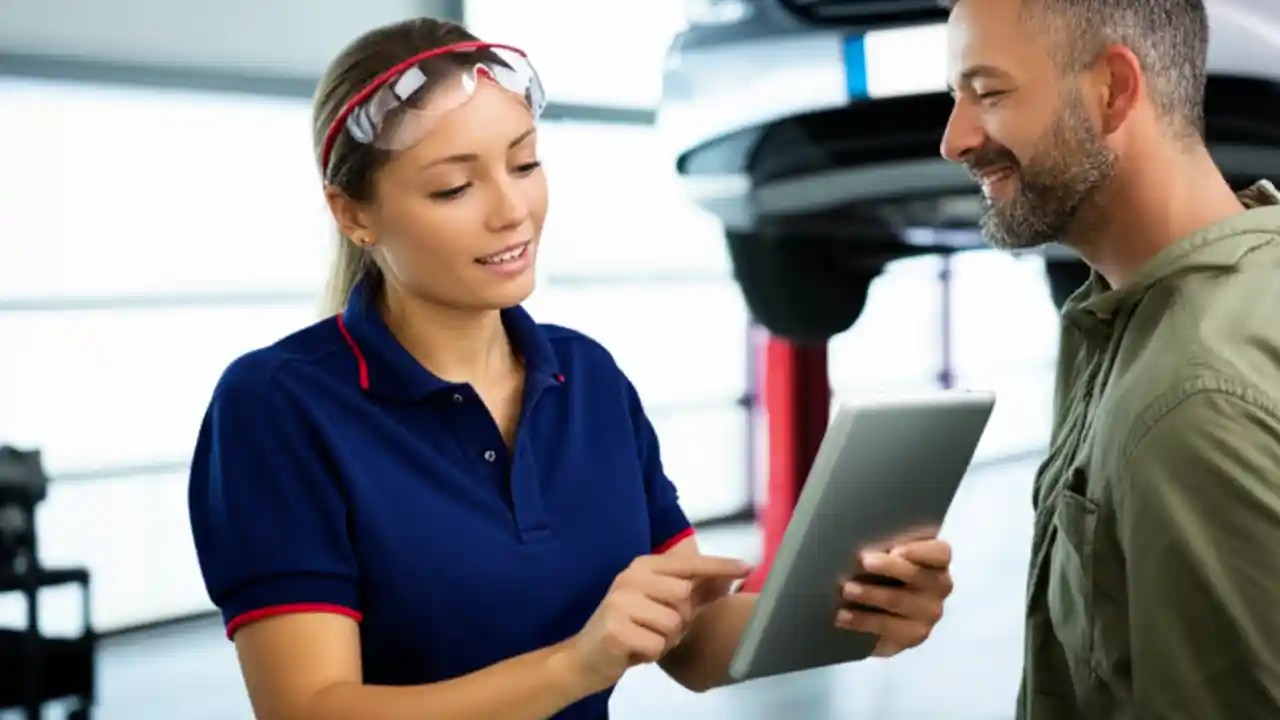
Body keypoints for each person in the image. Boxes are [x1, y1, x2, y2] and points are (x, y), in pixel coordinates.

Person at [186, 17, 956, 720]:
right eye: (455, 186)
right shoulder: (277, 407)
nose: (510, 210)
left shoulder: (585, 379)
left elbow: (692, 639)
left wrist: (854, 614)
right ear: (353, 213)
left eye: (524, 163)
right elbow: (309, 709)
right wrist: (576, 665)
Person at [939, 0, 1280, 717]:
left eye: (989, 93)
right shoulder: (1142, 319)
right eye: (955, 97)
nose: (955, 138)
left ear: (1114, 90)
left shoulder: (1192, 400)